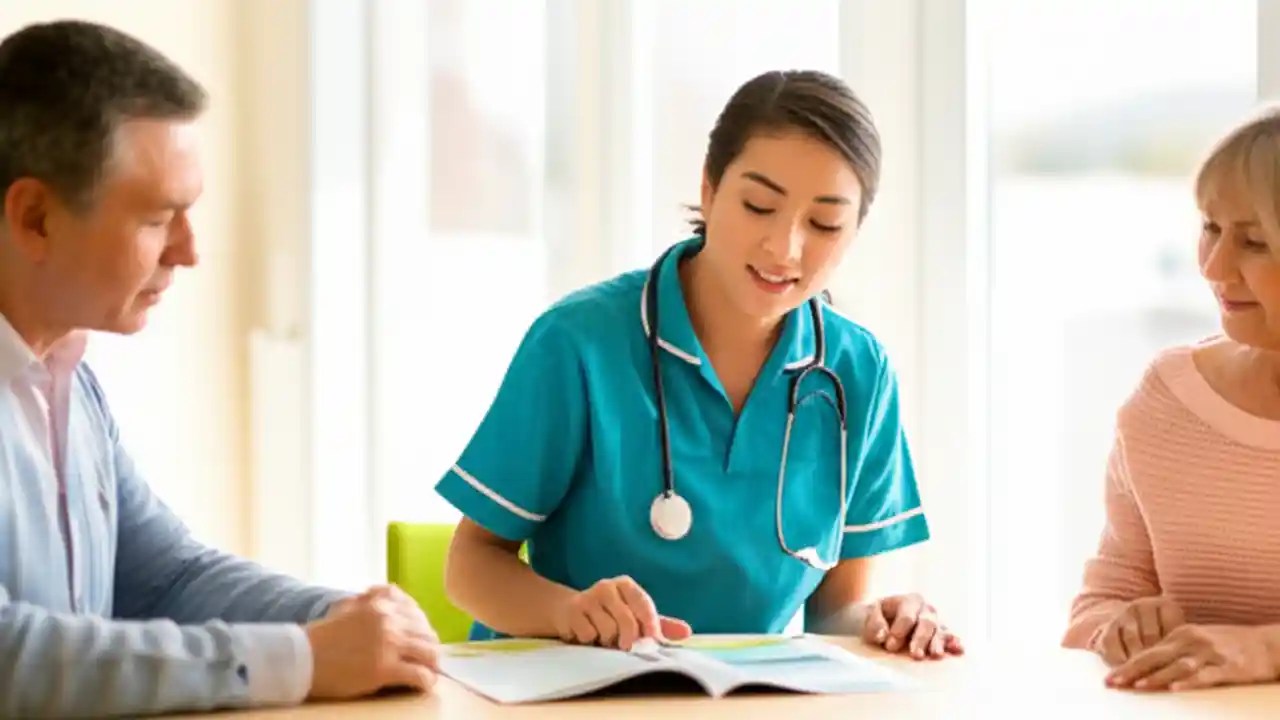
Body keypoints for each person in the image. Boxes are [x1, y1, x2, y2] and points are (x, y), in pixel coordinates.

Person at [437, 69, 962, 660]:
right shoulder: (578, 342)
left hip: (734, 700)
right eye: (759, 206)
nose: (784, 248)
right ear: (710, 190)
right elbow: (470, 566)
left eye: (824, 223)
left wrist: (883, 620)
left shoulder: (858, 373)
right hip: (565, 693)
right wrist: (568, 612)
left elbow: (834, 611)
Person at [0, 20, 440, 718]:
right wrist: (306, 658)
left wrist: (343, 619)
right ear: (35, 218)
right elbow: (10, 655)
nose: (188, 251)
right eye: (157, 219)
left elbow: (169, 577)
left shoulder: (69, 383)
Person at [1062, 106, 1280, 692]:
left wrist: (1267, 648)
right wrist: (1119, 628)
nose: (1212, 266)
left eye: (1254, 241)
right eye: (1210, 229)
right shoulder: (1167, 401)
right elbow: (1101, 602)